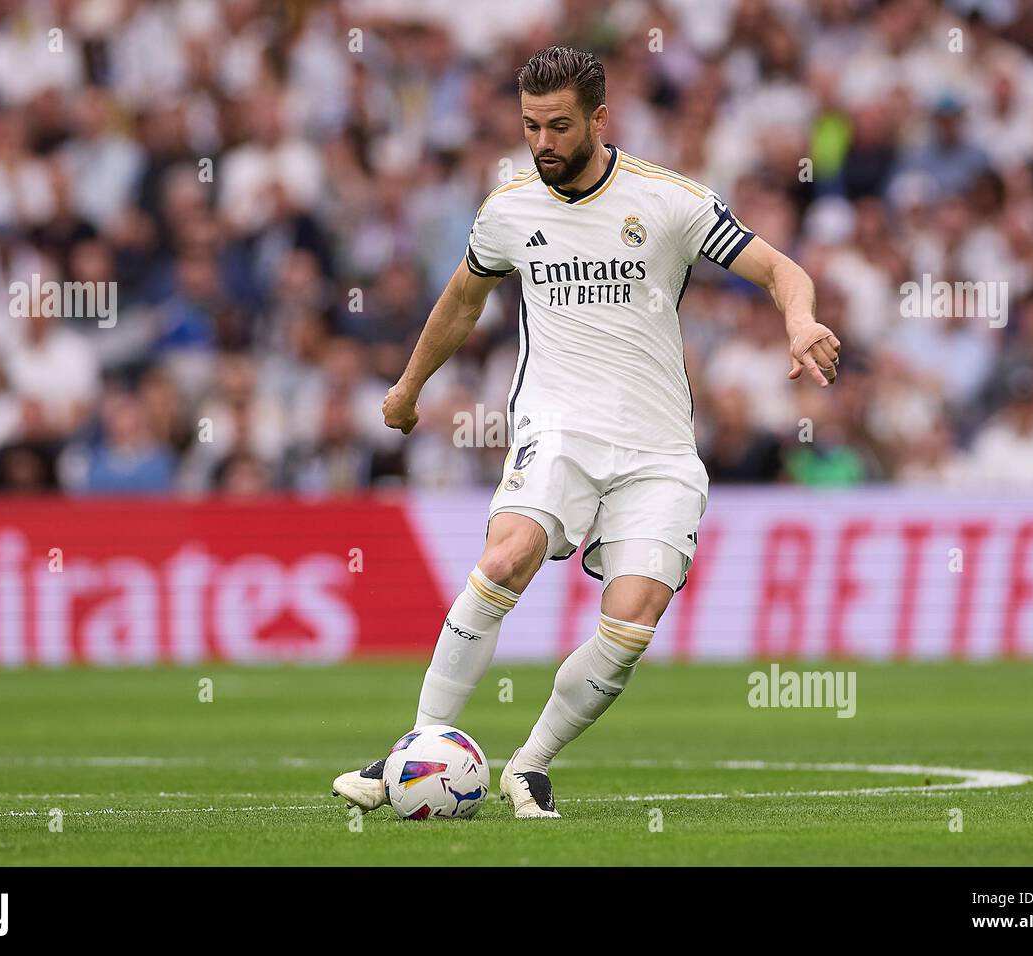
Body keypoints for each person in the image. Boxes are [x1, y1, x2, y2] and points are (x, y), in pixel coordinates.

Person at [332, 47, 839, 818]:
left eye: (559, 126)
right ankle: (419, 748)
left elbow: (779, 269)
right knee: (507, 555)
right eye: (531, 125)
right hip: (557, 425)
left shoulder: (669, 200)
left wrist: (800, 322)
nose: (542, 142)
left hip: (659, 447)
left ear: (600, 119)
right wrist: (408, 388)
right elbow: (462, 302)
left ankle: (529, 764)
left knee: (633, 619)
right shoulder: (508, 209)